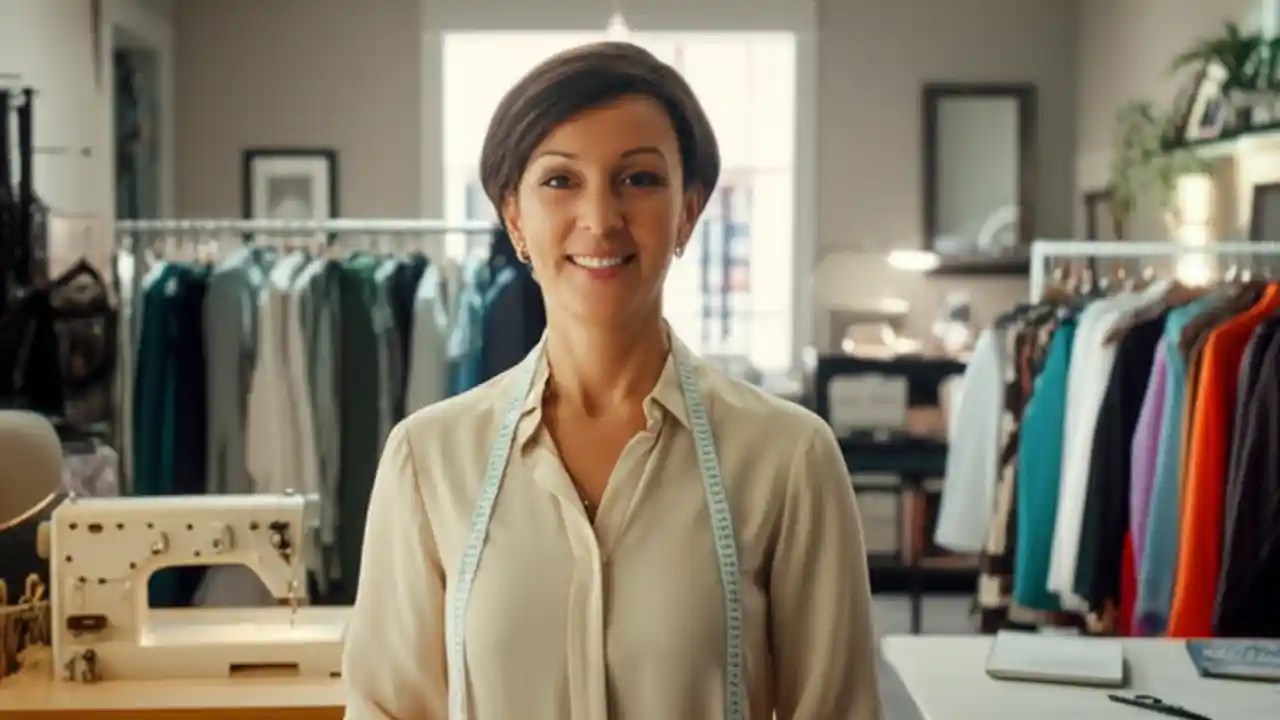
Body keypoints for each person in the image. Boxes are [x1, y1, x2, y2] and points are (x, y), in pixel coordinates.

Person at [343, 41, 881, 719]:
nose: (600, 219)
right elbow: (387, 709)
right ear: (515, 218)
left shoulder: (789, 458)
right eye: (561, 181)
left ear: (688, 212)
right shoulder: (428, 460)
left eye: (639, 179)